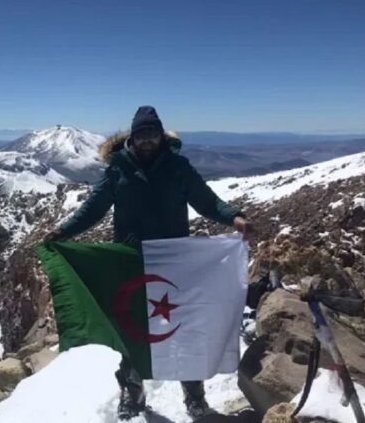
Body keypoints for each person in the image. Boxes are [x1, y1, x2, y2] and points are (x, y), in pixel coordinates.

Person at [44, 106, 252, 420]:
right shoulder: (117, 169)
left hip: (175, 262)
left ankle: (194, 395)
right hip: (132, 263)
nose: (147, 141)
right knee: (133, 328)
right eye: (141, 135)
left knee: (183, 326)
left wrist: (234, 217)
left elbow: (206, 200)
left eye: (152, 134)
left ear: (160, 135)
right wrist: (63, 232)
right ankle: (133, 393)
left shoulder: (178, 167)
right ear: (132, 137)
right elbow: (93, 208)